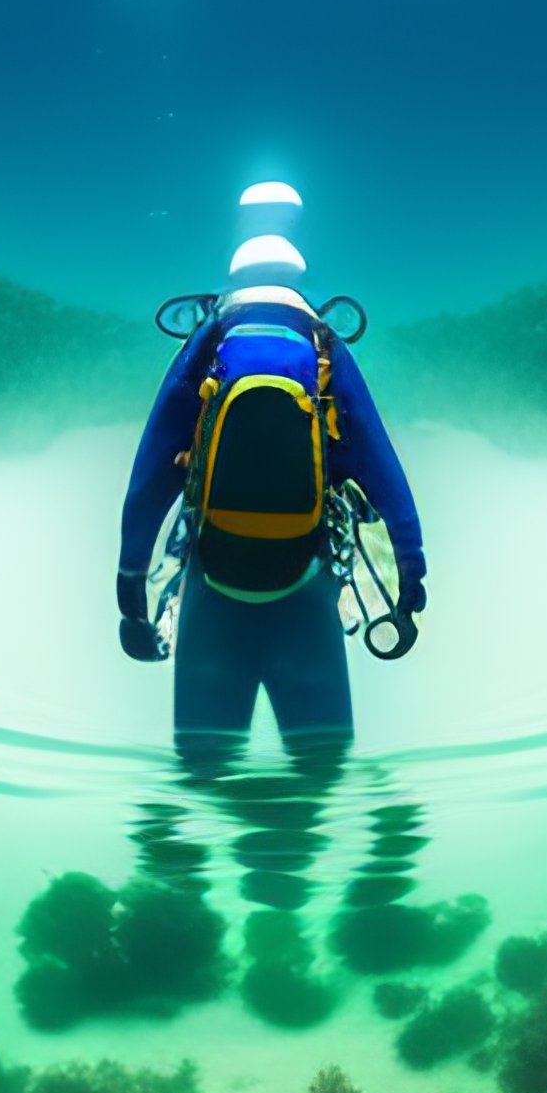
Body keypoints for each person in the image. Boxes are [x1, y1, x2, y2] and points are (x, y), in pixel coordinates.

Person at [116, 184, 425, 757]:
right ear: (297, 284)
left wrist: (131, 589)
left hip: (212, 585)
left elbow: (152, 472)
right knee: (322, 770)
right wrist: (412, 574)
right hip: (306, 585)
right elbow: (383, 467)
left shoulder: (209, 343)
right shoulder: (325, 349)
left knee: (202, 774)